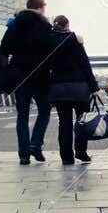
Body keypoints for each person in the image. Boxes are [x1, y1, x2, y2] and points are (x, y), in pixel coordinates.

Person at [0, 0, 59, 165]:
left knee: (22, 116)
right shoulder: (44, 26)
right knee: (44, 110)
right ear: (40, 8)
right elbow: (52, 50)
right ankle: (35, 144)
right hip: (40, 76)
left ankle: (24, 154)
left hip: (19, 77)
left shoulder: (14, 25)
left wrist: (11, 61)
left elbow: (4, 47)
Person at [43, 15, 101, 164]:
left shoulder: (48, 42)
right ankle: (81, 152)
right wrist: (94, 87)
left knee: (64, 123)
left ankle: (66, 157)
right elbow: (85, 65)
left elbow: (44, 67)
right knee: (82, 121)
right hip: (80, 88)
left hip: (59, 89)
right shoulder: (75, 40)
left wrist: (48, 85)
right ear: (67, 25)